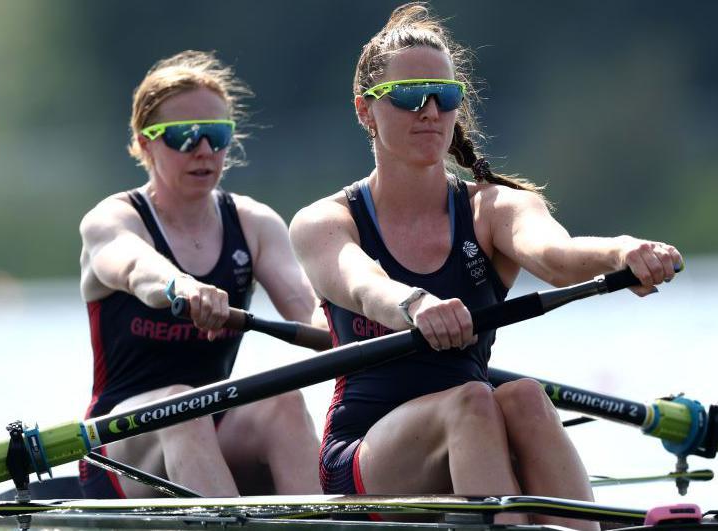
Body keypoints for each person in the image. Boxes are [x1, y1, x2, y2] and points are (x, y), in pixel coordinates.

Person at [289, 4, 682, 529]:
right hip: (365, 455)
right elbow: (363, 286)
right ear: (365, 111)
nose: (430, 111)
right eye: (409, 96)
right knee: (473, 402)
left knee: (524, 396)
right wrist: (415, 304)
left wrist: (622, 252)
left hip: (474, 430)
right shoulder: (324, 222)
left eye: (445, 96)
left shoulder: (493, 209)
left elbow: (557, 257)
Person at [78, 50, 323, 499]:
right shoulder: (112, 220)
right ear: (145, 143)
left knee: (285, 403)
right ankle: (228, 520)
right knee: (183, 406)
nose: (205, 149)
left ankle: (326, 526)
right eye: (185, 136)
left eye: (217, 134)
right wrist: (183, 287)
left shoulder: (253, 223)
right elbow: (134, 268)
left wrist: (378, 321)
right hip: (118, 447)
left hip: (212, 426)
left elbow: (311, 314)